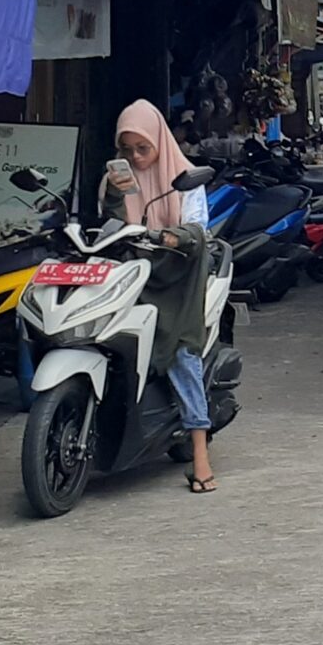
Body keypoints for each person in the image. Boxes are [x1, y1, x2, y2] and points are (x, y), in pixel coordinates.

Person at [103, 101, 220, 493]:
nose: (135, 158)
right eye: (128, 150)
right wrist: (114, 198)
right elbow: (112, 225)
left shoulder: (186, 177)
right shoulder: (116, 180)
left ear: (160, 143)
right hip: (133, 273)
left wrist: (178, 235)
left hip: (178, 278)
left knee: (181, 355)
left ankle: (201, 457)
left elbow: (198, 228)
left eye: (143, 149)